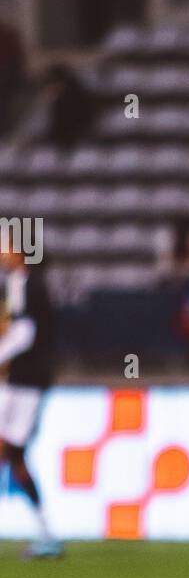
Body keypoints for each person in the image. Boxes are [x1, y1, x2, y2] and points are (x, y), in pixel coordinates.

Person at [0, 238, 62, 558]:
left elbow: (25, 334)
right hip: (19, 381)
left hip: (26, 381)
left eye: (7, 247)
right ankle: (47, 534)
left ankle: (48, 536)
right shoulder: (19, 283)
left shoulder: (26, 284)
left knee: (10, 453)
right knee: (13, 456)